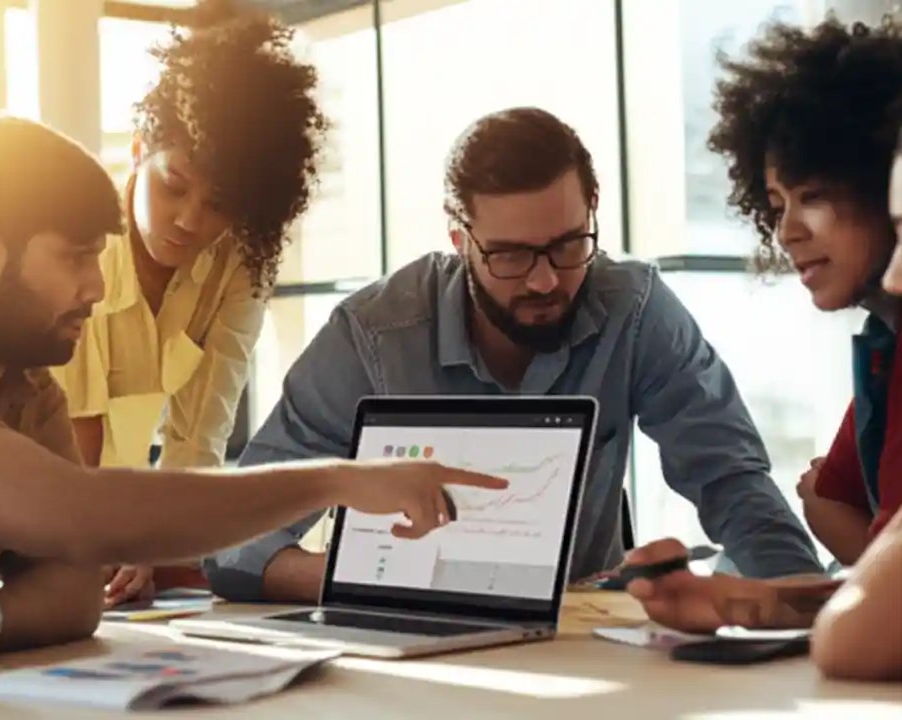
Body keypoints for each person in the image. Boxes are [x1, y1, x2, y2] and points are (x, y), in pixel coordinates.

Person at [0, 117, 505, 719]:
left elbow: (74, 589)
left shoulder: (21, 385)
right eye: (75, 258)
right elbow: (74, 517)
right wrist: (336, 480)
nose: (97, 289)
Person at [203, 106, 824, 603]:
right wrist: (378, 585)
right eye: (509, 255)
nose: (545, 281)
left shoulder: (635, 311)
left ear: (591, 215)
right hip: (404, 650)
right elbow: (235, 541)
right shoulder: (373, 333)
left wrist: (800, 614)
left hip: (580, 645)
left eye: (567, 245)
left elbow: (732, 482)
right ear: (459, 240)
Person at [622, 70, 902, 689]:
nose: (897, 276)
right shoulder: (900, 352)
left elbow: (859, 637)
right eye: (777, 207)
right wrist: (747, 602)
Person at [53, 0, 327, 605]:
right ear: (137, 151)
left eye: (220, 204)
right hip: (40, 508)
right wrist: (111, 543)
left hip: (131, 536)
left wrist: (151, 544)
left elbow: (202, 431)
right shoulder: (79, 246)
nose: (188, 221)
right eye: (173, 186)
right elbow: (77, 448)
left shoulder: (241, 264)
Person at [706, 15, 902, 565]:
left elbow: (900, 579)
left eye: (814, 195)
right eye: (776, 206)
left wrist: (831, 522)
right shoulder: (887, 338)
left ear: (889, 183)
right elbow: (835, 495)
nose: (787, 230)